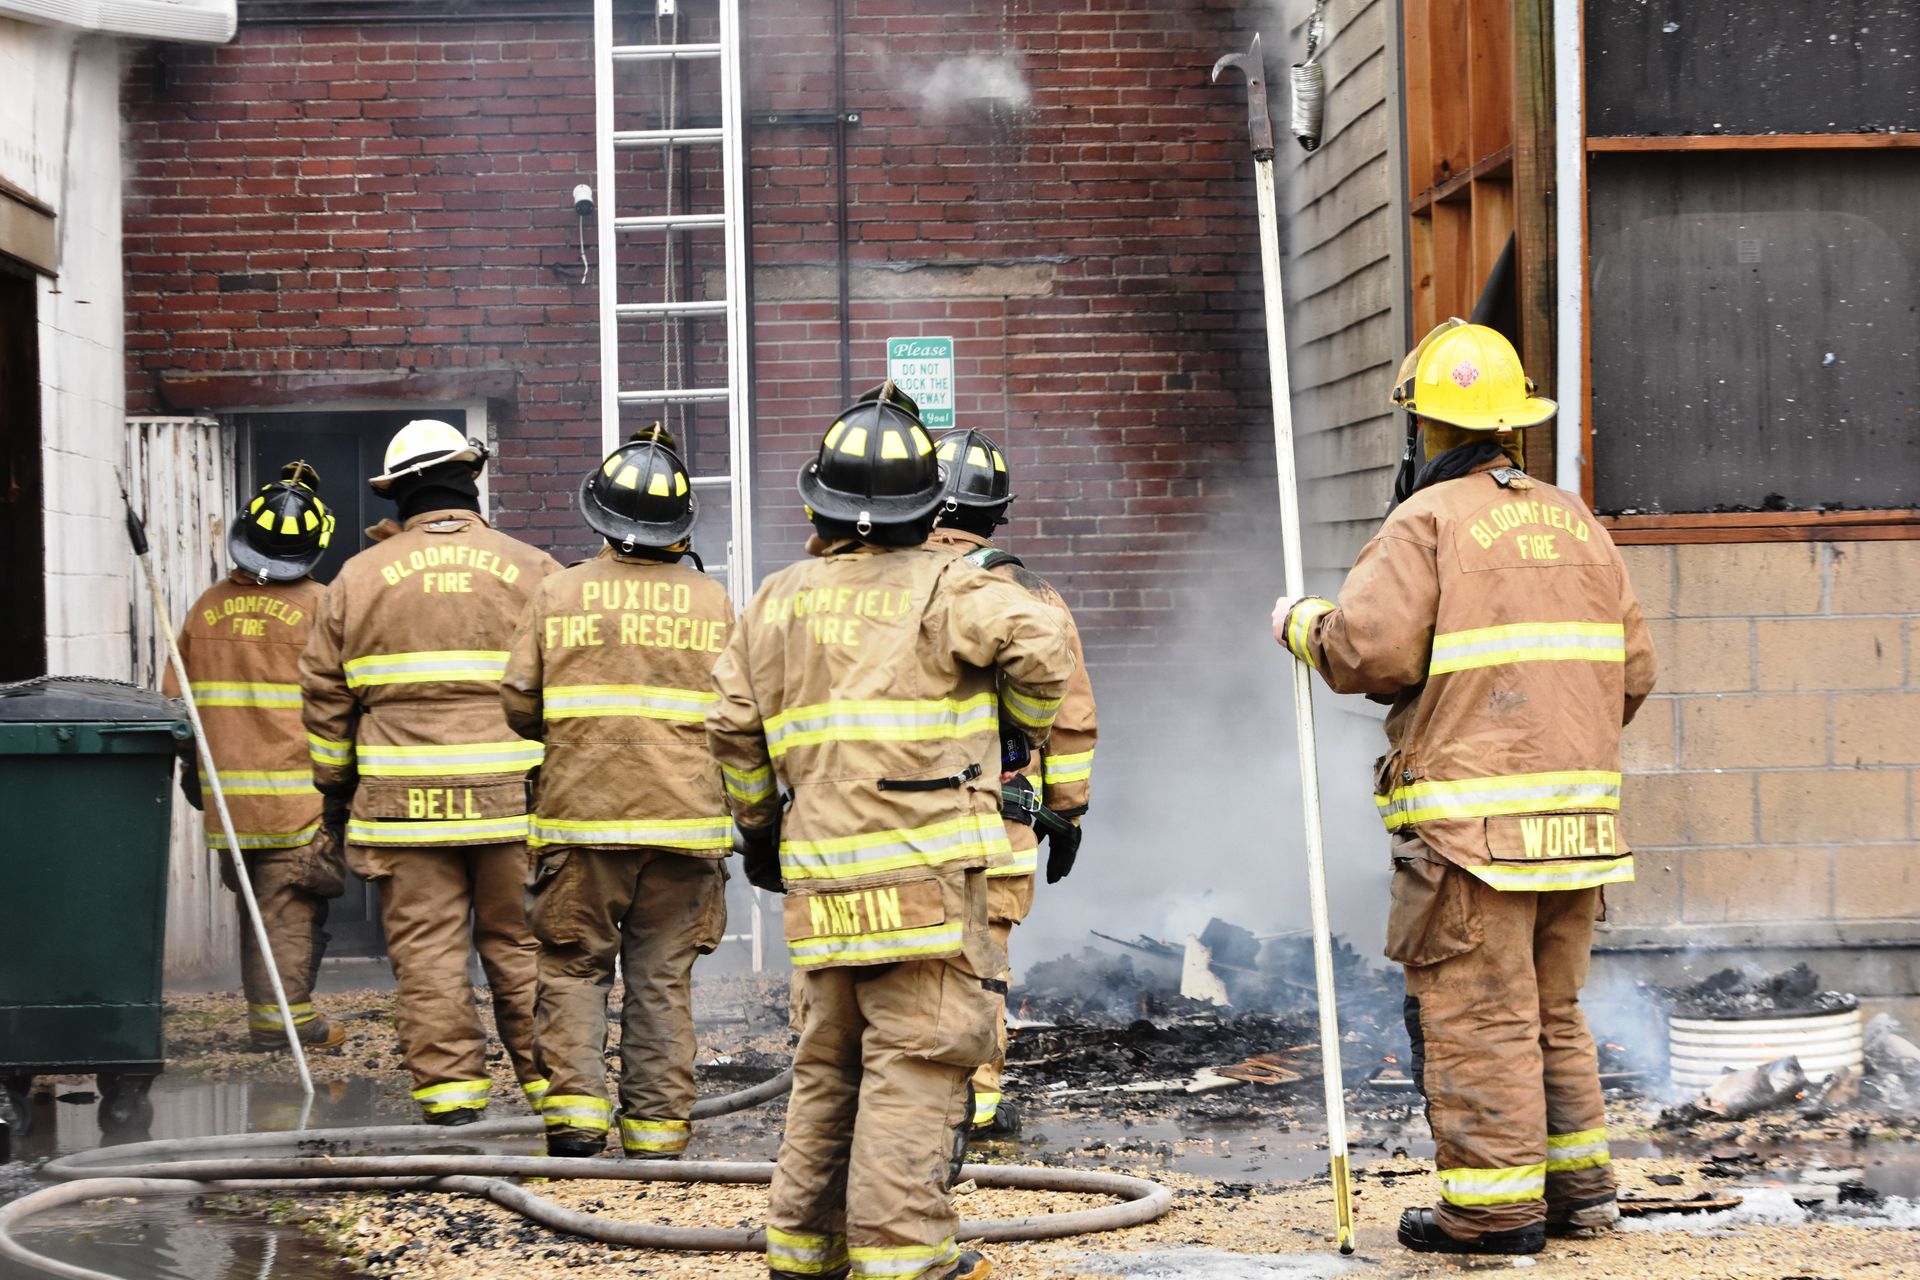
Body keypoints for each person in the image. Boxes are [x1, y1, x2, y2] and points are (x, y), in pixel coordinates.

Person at [1272, 321, 1657, 1256]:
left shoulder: (1426, 521)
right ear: (1512, 426)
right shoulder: (1576, 522)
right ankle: (1579, 1196)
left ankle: (1492, 1213)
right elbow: (1634, 672)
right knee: (1550, 1012)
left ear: (1423, 432)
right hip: (1578, 834)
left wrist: (1302, 623)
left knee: (1479, 1016)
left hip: (1471, 840)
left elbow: (1370, 651)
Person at [707, 384, 1075, 1280]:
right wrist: (1017, 726)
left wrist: (759, 834)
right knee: (916, 1068)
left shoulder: (774, 600)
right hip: (931, 886)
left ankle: (802, 1251)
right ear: (925, 504)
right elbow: (1046, 655)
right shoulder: (953, 583)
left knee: (828, 1069)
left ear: (818, 501)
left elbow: (730, 727)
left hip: (823, 888)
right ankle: (908, 1262)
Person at [301, 419, 560, 1124]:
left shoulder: (356, 579)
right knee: (522, 944)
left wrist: (336, 793)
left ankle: (451, 1102)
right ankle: (554, 1096)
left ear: (398, 496)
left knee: (428, 953)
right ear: (469, 479)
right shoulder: (534, 568)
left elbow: (326, 701)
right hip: (516, 802)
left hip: (404, 807)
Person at [502, 426, 735, 1160]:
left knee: (573, 967)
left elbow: (517, 703)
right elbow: (742, 712)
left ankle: (574, 1123)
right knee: (661, 978)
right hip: (687, 828)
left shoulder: (557, 593)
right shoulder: (714, 601)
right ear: (680, 525)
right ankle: (658, 1134)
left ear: (598, 513)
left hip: (581, 821)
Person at [925, 428, 1097, 1138]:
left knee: (911, 958)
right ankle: (977, 1105)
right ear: (997, 514)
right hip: (1003, 821)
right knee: (983, 961)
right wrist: (1070, 813)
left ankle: (904, 1108)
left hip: (898, 816)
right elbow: (1073, 720)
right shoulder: (1033, 594)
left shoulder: (890, 582)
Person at [164, 462, 346, 1051]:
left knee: (259, 911)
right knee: (291, 911)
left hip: (228, 803)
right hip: (298, 799)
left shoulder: (204, 608)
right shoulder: (322, 607)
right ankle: (284, 1026)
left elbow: (175, 706)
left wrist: (194, 771)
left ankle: (278, 1016)